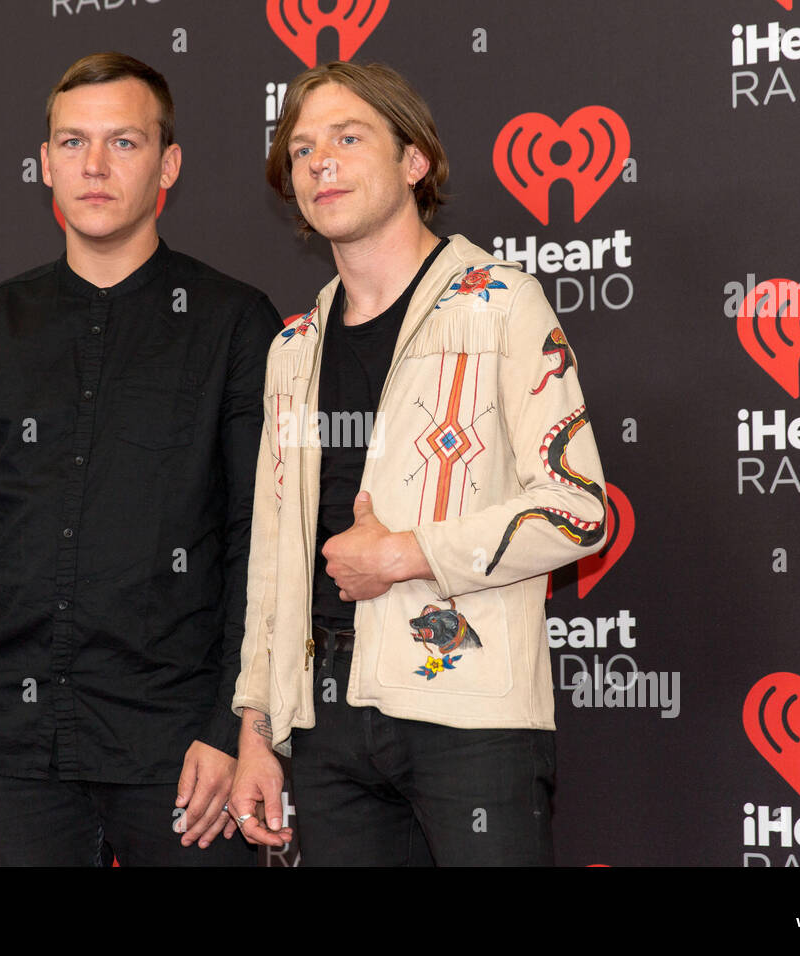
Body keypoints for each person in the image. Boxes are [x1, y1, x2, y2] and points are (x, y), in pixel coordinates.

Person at [0, 52, 280, 866]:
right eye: (72, 143)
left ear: (168, 163)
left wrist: (231, 726)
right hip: (11, 756)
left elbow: (259, 546)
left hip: (183, 758)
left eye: (123, 143)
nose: (93, 166)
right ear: (44, 164)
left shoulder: (235, 324)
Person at [229, 62, 608, 865]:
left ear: (414, 161)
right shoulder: (292, 348)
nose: (320, 161)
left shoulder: (500, 302)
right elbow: (273, 559)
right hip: (325, 720)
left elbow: (579, 509)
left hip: (471, 718)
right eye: (300, 150)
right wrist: (258, 729)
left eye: (347, 137)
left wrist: (405, 555)